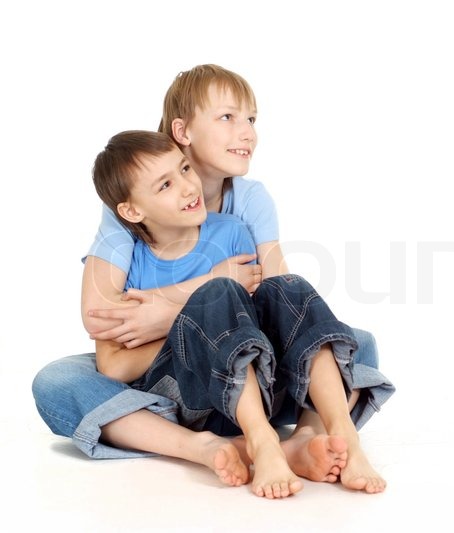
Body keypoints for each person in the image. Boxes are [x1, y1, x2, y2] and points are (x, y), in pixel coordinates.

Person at [31, 65, 394, 490]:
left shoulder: (241, 216)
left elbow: (283, 303)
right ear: (182, 130)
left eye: (251, 118)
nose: (247, 132)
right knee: (57, 380)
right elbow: (107, 341)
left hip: (248, 369)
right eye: (227, 117)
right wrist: (186, 307)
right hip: (171, 386)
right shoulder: (128, 206)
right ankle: (217, 446)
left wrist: (176, 310)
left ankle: (313, 436)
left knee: (354, 342)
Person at [90, 129, 384, 497]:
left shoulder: (231, 233)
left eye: (184, 169)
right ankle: (263, 442)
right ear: (133, 211)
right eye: (165, 185)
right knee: (219, 291)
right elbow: (114, 365)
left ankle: (344, 436)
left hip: (248, 387)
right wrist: (191, 320)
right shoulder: (128, 263)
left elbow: (261, 319)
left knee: (289, 288)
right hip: (185, 394)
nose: (188, 187)